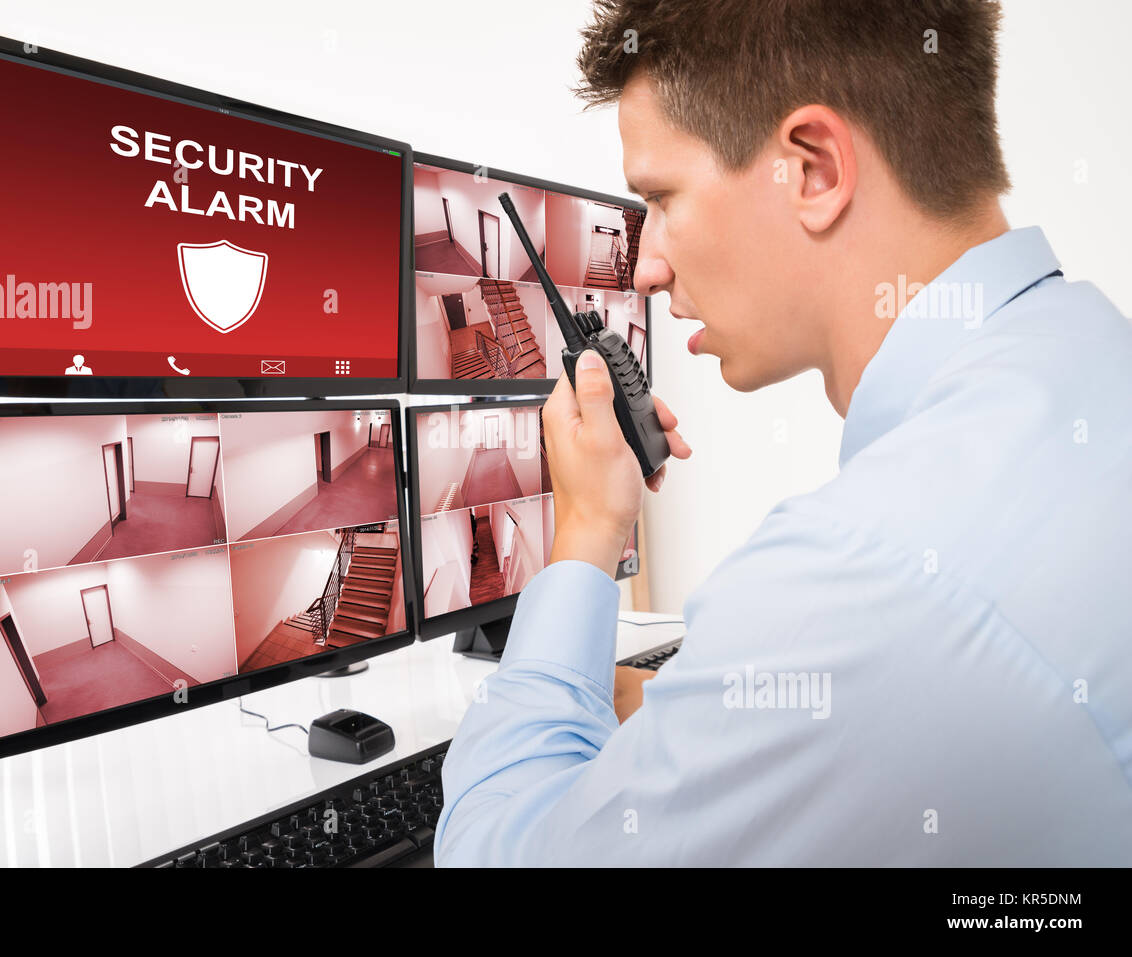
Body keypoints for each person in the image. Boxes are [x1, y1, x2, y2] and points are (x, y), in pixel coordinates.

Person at [434, 0, 1132, 866]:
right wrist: (708, 709)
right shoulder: (1098, 356)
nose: (647, 267)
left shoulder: (857, 575)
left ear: (811, 170)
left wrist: (584, 534)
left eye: (661, 198)